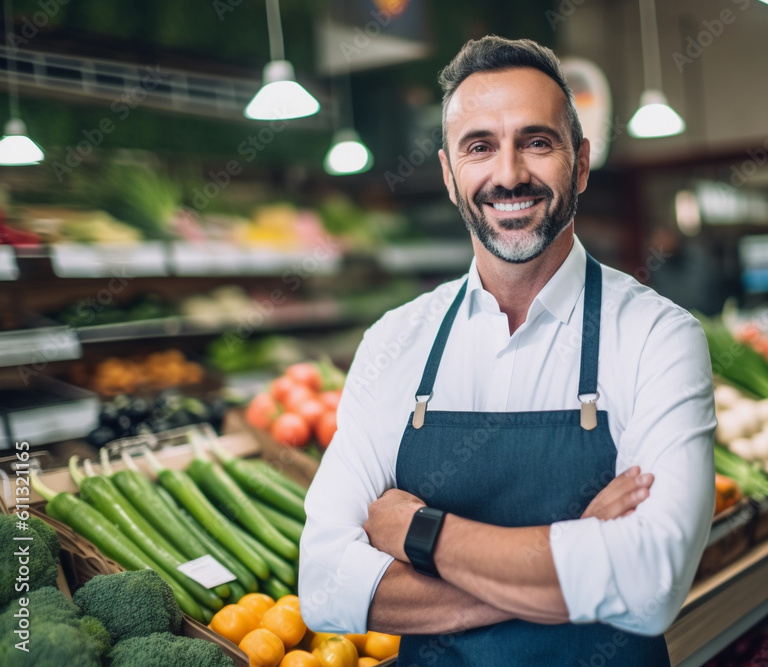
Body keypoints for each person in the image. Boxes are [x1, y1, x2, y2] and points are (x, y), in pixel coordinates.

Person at [299, 36, 716, 666]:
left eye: (537, 142)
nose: (509, 173)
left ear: (578, 163)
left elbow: (651, 586)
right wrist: (578, 552)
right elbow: (325, 584)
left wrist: (418, 533)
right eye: (480, 147)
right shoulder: (394, 342)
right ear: (449, 175)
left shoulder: (658, 336)